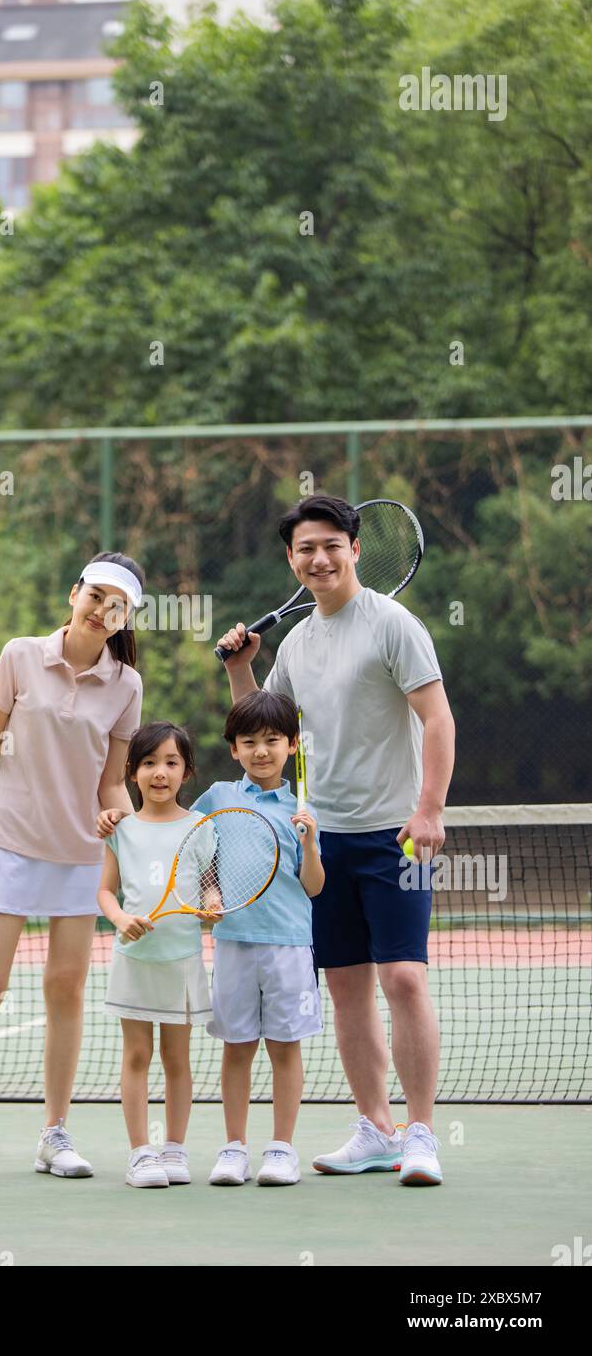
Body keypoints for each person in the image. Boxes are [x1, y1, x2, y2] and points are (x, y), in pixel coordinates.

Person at [215, 494, 455, 1186]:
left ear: (353, 548)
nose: (317, 559)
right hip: (320, 840)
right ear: (291, 560)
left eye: (329, 545)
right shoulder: (295, 643)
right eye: (303, 550)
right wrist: (240, 667)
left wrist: (429, 808)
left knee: (403, 978)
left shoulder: (392, 624)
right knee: (346, 989)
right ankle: (375, 1127)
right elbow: (265, 729)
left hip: (396, 837)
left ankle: (420, 1135)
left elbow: (436, 719)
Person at [0, 552, 145, 1181]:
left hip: (78, 853)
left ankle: (55, 1134)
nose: (102, 610)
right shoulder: (18, 655)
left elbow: (111, 784)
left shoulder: (126, 685)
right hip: (11, 839)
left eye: (116, 605)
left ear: (125, 619)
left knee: (65, 990)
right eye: (95, 595)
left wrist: (132, 830)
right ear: (74, 595)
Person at [190, 691, 324, 1186]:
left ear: (292, 745)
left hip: (289, 943)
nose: (261, 751)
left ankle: (282, 1149)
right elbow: (197, 853)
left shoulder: (303, 808)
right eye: (249, 742)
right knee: (237, 1047)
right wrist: (209, 893)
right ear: (233, 749)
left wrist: (310, 844)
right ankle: (233, 1149)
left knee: (286, 1047)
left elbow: (314, 886)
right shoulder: (219, 799)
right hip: (233, 942)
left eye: (272, 741)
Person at [97, 722, 215, 1188]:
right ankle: (140, 1153)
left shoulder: (200, 827)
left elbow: (208, 884)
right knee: (136, 1056)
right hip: (134, 960)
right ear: (132, 773)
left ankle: (175, 1150)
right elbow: (106, 892)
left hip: (182, 960)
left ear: (187, 772)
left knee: (178, 1059)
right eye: (148, 763)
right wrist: (121, 920)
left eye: (171, 762)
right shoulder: (121, 830)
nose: (159, 772)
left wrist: (211, 906)